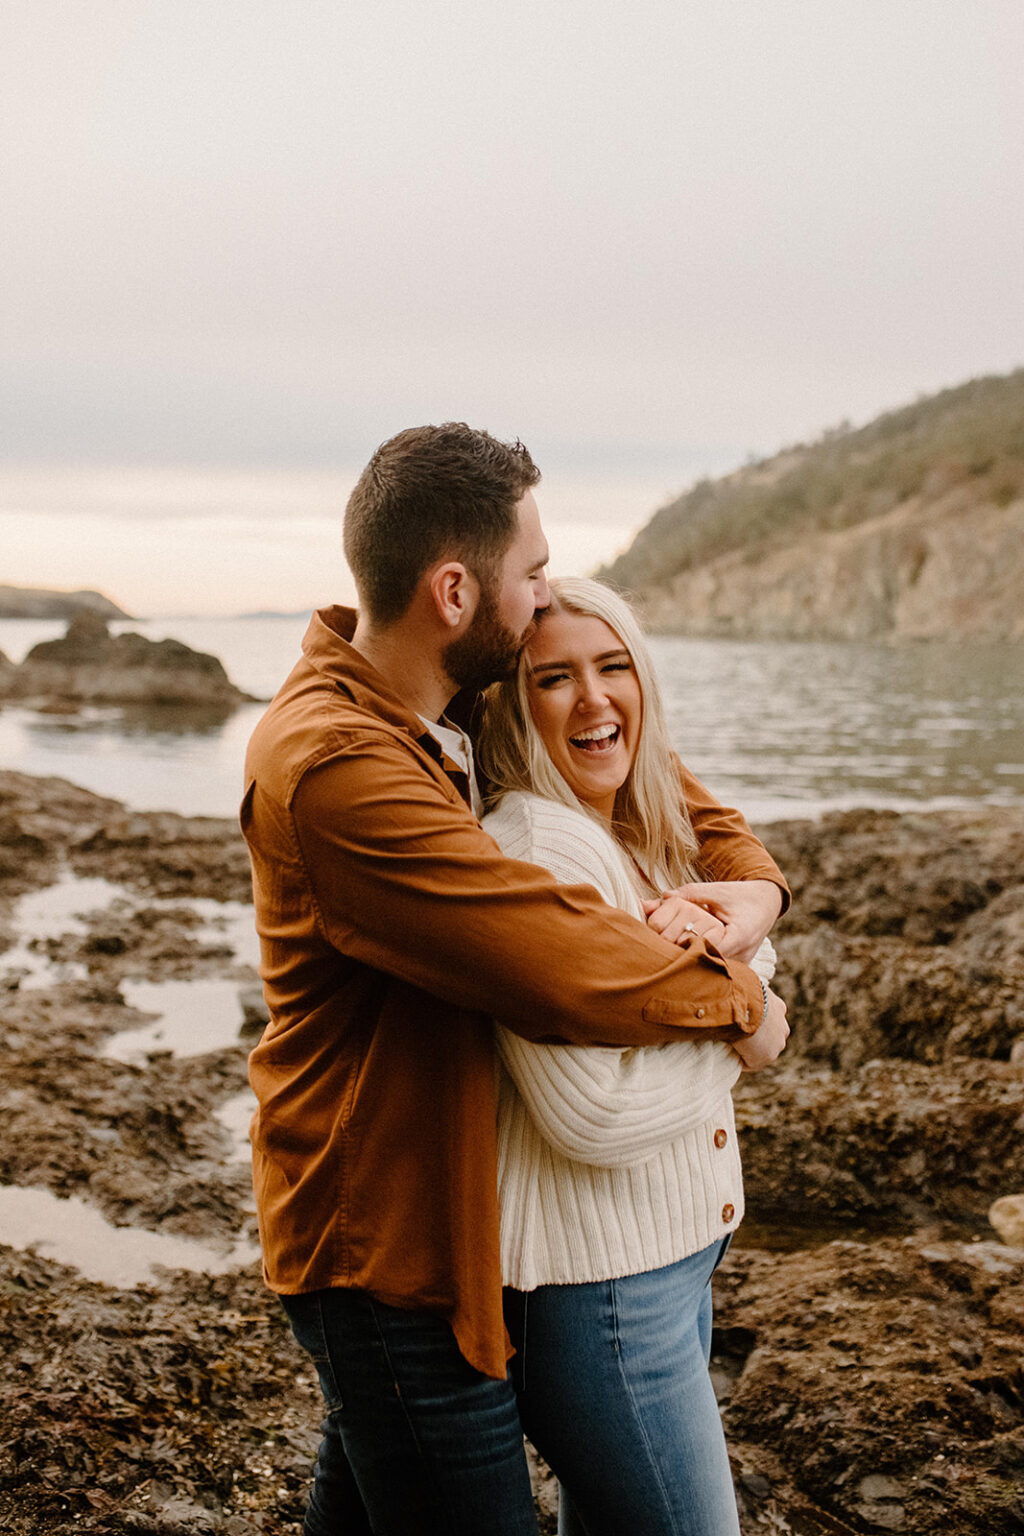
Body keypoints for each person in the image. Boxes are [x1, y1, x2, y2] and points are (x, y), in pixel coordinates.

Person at [241, 422, 790, 1536]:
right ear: (455, 590)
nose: (544, 596)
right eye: (531, 574)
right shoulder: (344, 768)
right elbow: (564, 963)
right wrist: (749, 1005)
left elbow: (670, 793)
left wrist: (757, 897)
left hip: (449, 1227)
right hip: (384, 1246)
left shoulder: (448, 710)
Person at [477, 576, 783, 1535]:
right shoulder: (536, 852)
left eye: (614, 667)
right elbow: (592, 1114)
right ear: (512, 707)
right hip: (601, 1298)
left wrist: (743, 951)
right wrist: (751, 1023)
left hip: (663, 1269)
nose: (596, 698)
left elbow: (742, 929)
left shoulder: (629, 826)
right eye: (555, 678)